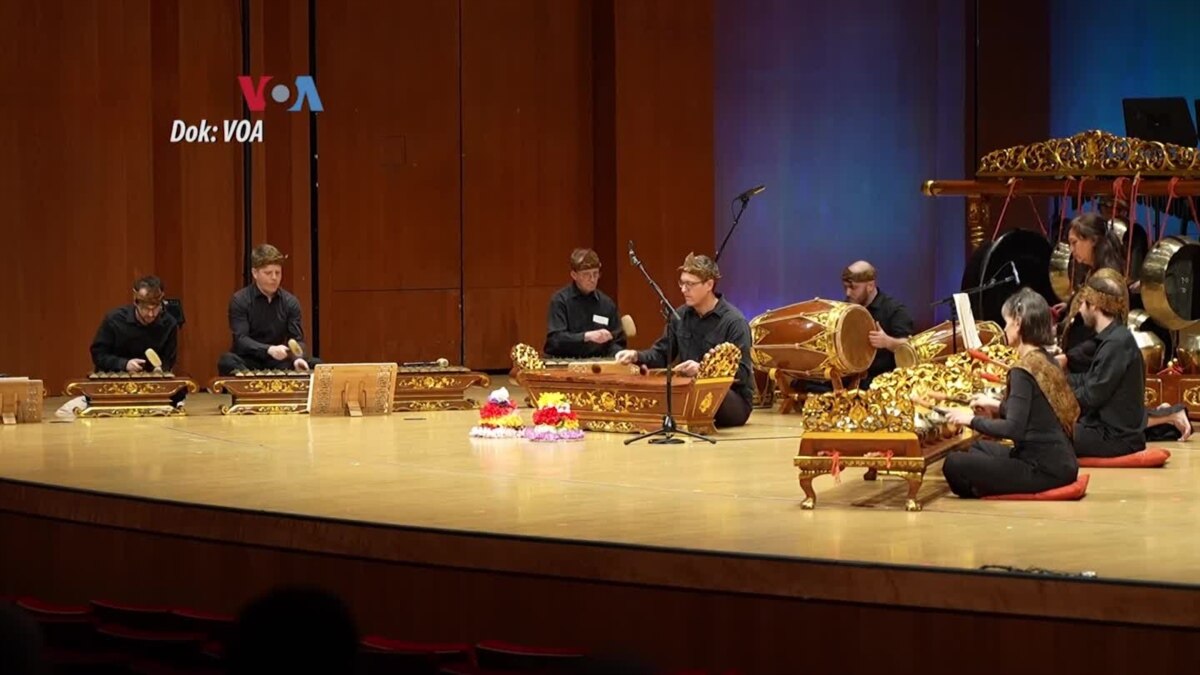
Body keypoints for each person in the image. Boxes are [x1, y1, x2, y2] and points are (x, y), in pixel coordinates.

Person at [942, 288, 1079, 498]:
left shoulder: (1022, 370)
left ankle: (983, 489)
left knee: (953, 463)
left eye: (1006, 322)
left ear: (1018, 323)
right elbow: (1037, 412)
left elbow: (1013, 429)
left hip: (1042, 467)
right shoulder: (1046, 359)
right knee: (979, 448)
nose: (1005, 329)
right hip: (1063, 462)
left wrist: (969, 419)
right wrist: (996, 405)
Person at [615, 253, 753, 428]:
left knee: (703, 392)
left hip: (730, 398)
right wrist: (636, 355)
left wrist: (703, 370)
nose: (683, 289)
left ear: (709, 284)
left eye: (690, 284)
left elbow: (742, 372)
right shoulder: (679, 316)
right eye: (682, 283)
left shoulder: (734, 322)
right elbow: (662, 353)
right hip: (690, 390)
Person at [1067, 274, 1191, 457]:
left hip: (1117, 438)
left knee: (1049, 435)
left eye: (1083, 303)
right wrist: (1061, 380)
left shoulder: (1116, 343)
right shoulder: (1114, 339)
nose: (1079, 310)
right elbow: (1092, 380)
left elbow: (1092, 396)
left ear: (1093, 305)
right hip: (1108, 430)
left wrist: (1058, 393)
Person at [59, 275, 184, 416]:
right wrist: (124, 364)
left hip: (150, 386)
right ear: (136, 302)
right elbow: (98, 355)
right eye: (145, 308)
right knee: (67, 412)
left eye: (155, 308)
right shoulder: (114, 320)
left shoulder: (169, 324)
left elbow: (169, 359)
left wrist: (160, 370)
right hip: (114, 384)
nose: (150, 314)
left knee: (179, 395)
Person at [217, 244, 320, 375]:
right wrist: (268, 349)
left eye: (278, 272)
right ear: (255, 273)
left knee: (317, 364)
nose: (274, 278)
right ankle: (250, 384)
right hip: (249, 359)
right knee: (226, 361)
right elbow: (241, 339)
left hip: (279, 361)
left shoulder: (290, 302)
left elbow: (297, 339)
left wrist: (297, 359)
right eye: (268, 273)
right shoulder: (240, 300)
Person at [1056, 212, 1127, 373]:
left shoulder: (1107, 282)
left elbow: (1107, 334)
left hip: (1095, 370)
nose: (1072, 250)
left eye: (1074, 243)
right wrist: (1068, 307)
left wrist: (1070, 358)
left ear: (1093, 240)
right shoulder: (1093, 274)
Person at [544, 248, 627, 358]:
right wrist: (585, 336)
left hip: (597, 364)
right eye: (586, 274)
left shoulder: (607, 304)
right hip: (565, 363)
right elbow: (555, 340)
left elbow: (617, 340)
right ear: (574, 275)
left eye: (595, 273)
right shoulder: (560, 301)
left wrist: (618, 354)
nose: (592, 279)